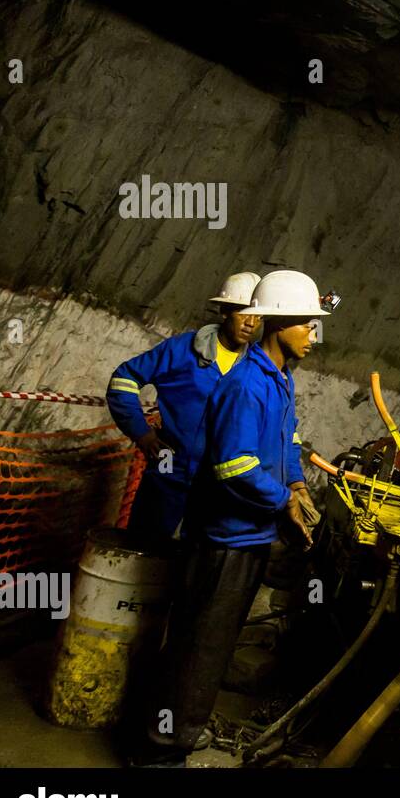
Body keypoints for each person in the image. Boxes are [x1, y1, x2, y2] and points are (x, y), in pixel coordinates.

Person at [132, 269, 333, 766]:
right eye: (308, 324)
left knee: (213, 646)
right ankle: (160, 752)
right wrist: (280, 501)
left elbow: (285, 441)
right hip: (223, 538)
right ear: (279, 323)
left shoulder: (279, 380)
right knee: (197, 649)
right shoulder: (247, 385)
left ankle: (181, 731)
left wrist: (297, 483)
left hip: (248, 536)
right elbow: (234, 466)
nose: (314, 334)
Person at [107, 272, 262, 542]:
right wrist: (141, 433)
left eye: (259, 316)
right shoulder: (182, 350)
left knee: (196, 561)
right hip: (170, 467)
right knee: (143, 547)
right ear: (225, 311)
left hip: (219, 482)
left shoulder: (257, 368)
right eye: (242, 312)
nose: (251, 322)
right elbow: (124, 379)